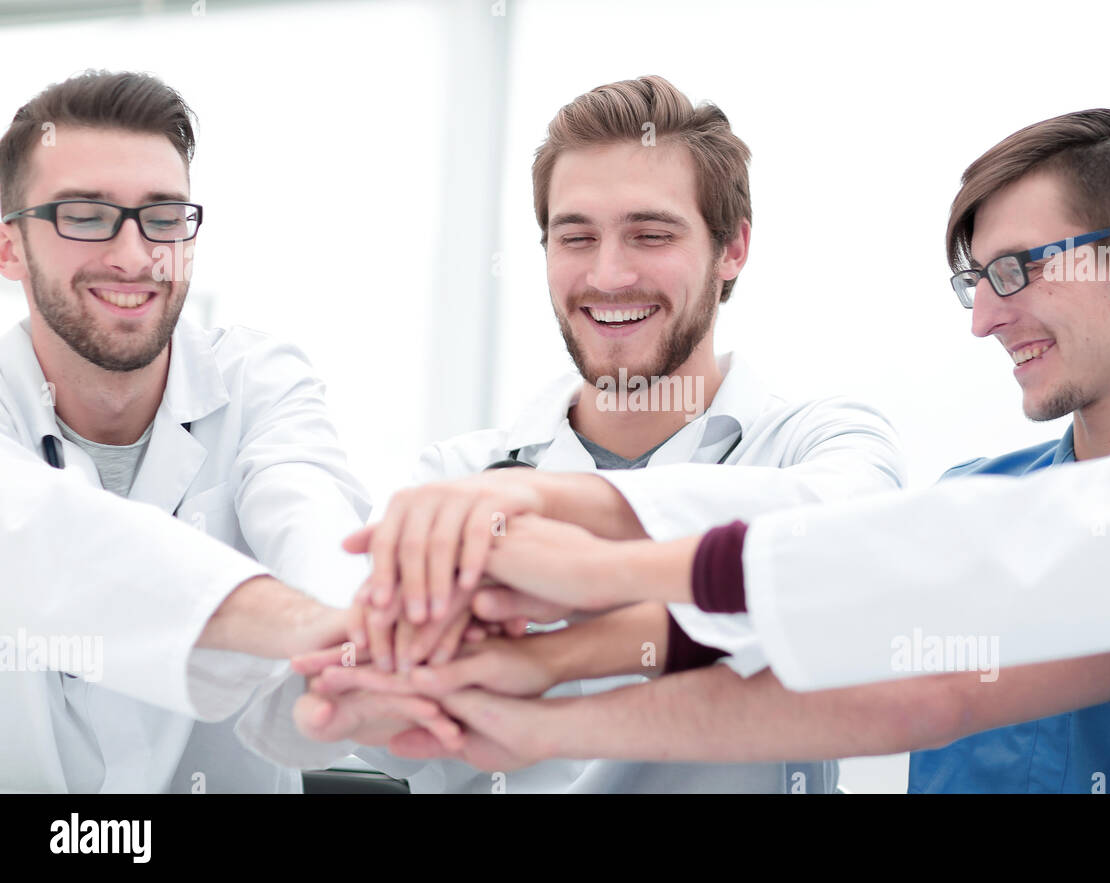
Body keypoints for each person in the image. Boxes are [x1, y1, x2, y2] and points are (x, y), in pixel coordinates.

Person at [415, 34, 1110, 794]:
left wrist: (587, 560)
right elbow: (927, 680)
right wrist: (545, 699)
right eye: (978, 278)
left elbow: (878, 558)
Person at [277, 75, 906, 794]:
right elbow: (388, 737)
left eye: (651, 234)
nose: (609, 275)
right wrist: (374, 666)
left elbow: (850, 554)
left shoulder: (823, 440)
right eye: (576, 237)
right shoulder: (456, 474)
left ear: (732, 249)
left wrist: (552, 507)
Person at [0, 70, 371, 792]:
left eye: (163, 217)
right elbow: (31, 529)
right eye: (84, 214)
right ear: (10, 248)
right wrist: (304, 628)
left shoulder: (259, 379)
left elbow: (312, 513)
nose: (136, 256)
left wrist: (355, 628)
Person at [0, 434, 408, 792]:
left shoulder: (253, 373)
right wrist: (309, 626)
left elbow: (309, 509)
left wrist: (359, 644)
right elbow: (26, 522)